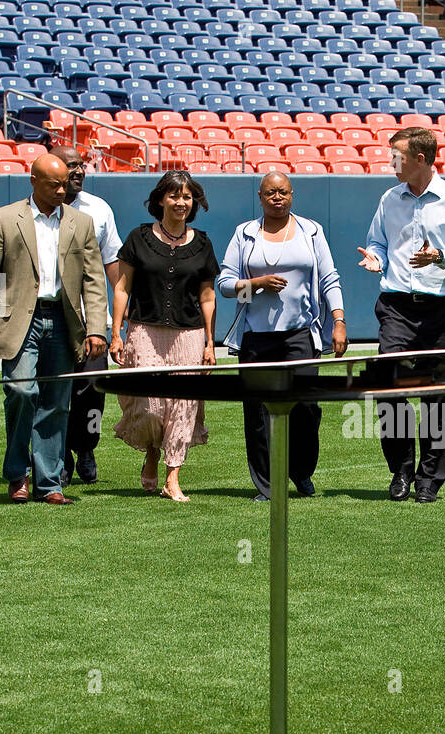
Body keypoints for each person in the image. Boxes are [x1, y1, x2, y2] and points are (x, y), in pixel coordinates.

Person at [356, 126, 445, 503]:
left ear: (420, 159)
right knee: (389, 388)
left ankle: (429, 480)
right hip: (395, 306)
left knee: (437, 396)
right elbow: (378, 242)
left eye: (396, 157)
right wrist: (376, 258)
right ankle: (401, 469)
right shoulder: (389, 199)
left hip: (441, 310)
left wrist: (440, 257)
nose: (390, 163)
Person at [0, 153, 109, 505]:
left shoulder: (81, 223)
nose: (62, 191)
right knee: (21, 391)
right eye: (54, 185)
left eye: (64, 184)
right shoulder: (5, 218)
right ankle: (18, 473)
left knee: (57, 401)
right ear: (33, 181)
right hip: (20, 320)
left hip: (64, 321)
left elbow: (94, 281)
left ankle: (49, 483)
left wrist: (97, 329)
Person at [218, 172, 347, 501]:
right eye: (271, 193)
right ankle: (268, 484)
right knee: (258, 413)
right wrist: (256, 285)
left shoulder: (311, 231)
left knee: (306, 407)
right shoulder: (245, 233)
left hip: (300, 335)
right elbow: (225, 285)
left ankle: (300, 471)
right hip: (256, 338)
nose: (277, 198)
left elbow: (329, 278)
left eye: (284, 192)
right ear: (260, 197)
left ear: (292, 194)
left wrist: (338, 320)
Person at [109, 170, 219, 502]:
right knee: (151, 406)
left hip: (190, 334)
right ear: (160, 200)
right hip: (145, 331)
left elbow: (208, 297)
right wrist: (116, 333)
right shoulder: (138, 238)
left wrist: (210, 343)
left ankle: (173, 477)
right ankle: (152, 451)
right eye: (174, 196)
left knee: (184, 405)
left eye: (187, 197)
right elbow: (122, 288)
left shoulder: (202, 243)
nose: (180, 202)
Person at [48, 145, 123, 487]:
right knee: (55, 389)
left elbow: (112, 264)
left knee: (93, 388)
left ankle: (87, 447)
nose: (78, 170)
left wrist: (122, 316)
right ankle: (60, 453)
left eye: (81, 164)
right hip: (51, 317)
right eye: (70, 165)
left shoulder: (99, 209)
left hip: (93, 319)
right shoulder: (34, 210)